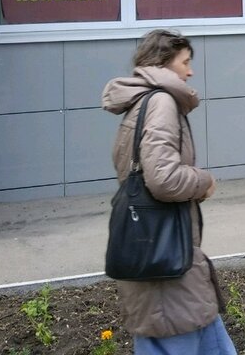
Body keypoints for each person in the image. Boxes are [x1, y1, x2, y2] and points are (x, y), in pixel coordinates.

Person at [102, 30, 237, 355]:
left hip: (172, 262)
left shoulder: (141, 103)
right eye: (185, 62)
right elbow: (162, 178)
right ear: (162, 64)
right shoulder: (161, 102)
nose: (190, 71)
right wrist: (203, 181)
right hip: (165, 265)